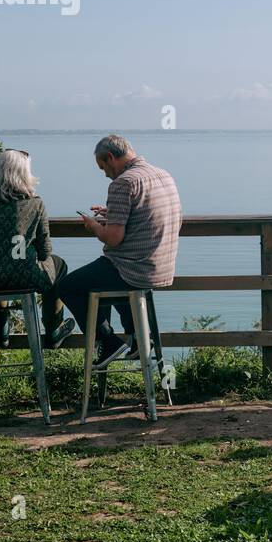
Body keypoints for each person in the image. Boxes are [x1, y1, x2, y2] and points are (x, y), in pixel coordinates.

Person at [57, 135, 182, 368]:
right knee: (107, 280)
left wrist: (94, 225)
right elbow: (146, 213)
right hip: (161, 267)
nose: (105, 173)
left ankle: (108, 342)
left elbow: (113, 239)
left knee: (68, 286)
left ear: (111, 157)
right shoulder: (163, 175)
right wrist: (113, 213)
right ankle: (138, 338)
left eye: (103, 167)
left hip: (133, 269)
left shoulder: (123, 183)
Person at [0, 149, 75, 347]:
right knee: (59, 266)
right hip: (24, 277)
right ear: (25, 173)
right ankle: (53, 330)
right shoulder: (34, 204)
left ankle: (1, 329)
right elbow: (45, 252)